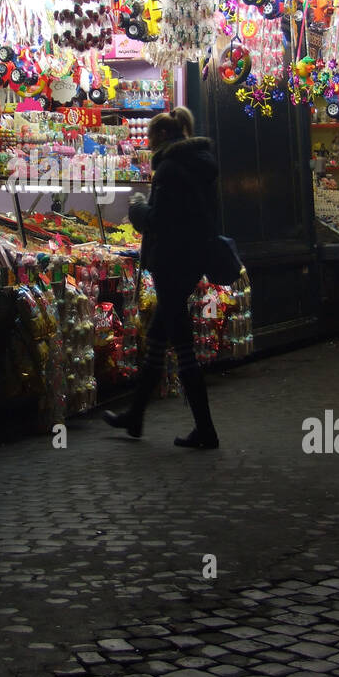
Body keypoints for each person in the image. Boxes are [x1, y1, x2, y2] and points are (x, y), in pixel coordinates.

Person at [103, 105, 220, 449]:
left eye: (151, 139)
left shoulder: (170, 169)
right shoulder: (199, 164)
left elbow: (159, 219)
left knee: (181, 347)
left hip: (172, 260)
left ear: (164, 137)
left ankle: (205, 429)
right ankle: (135, 416)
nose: (149, 146)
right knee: (158, 339)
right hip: (190, 258)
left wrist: (138, 207)